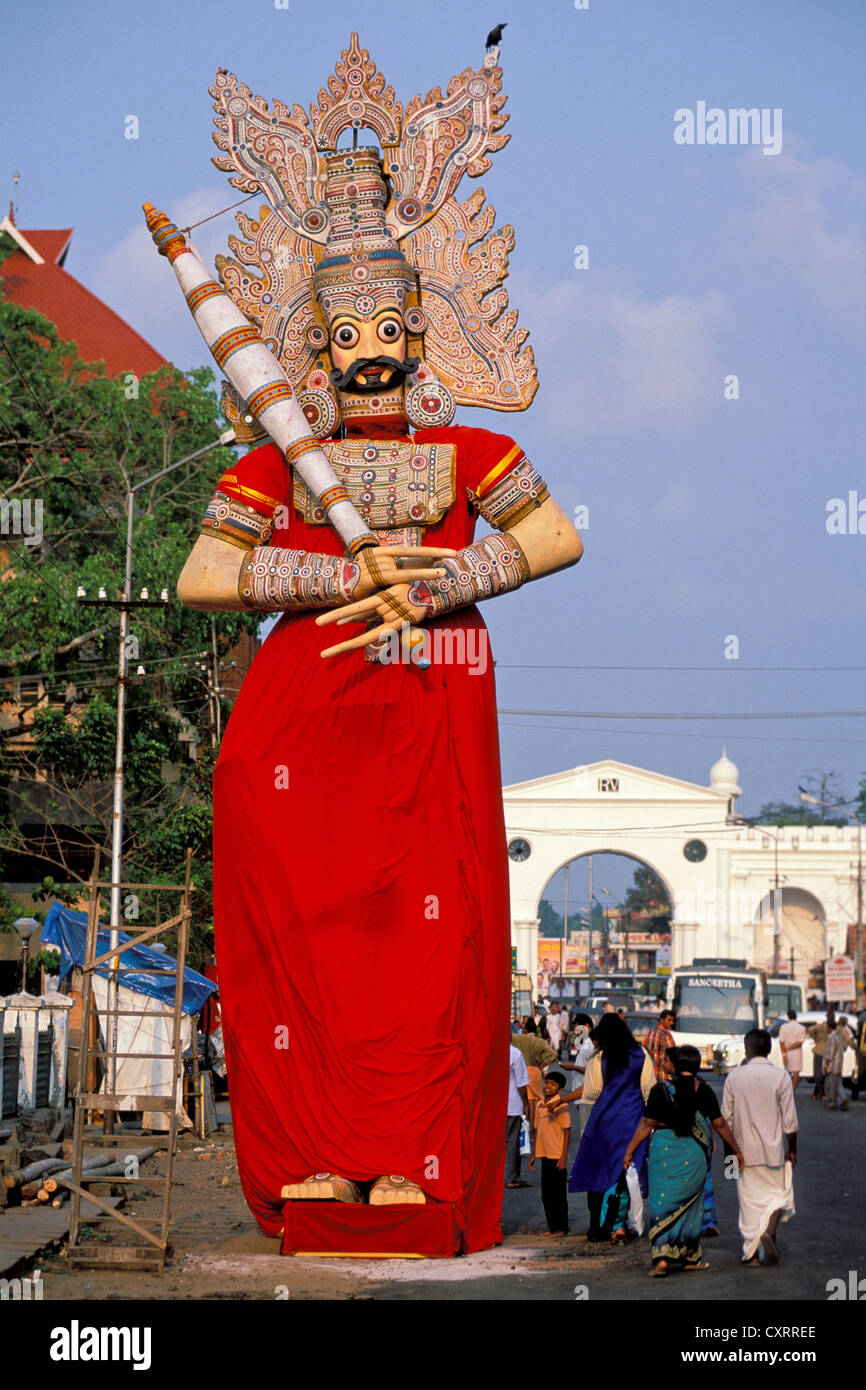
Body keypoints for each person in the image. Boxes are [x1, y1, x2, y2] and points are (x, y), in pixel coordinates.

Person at [168, 35, 584, 1255]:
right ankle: (317, 1157)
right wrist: (340, 573)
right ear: (315, 343)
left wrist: (447, 578)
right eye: (344, 332)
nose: (368, 348)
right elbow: (203, 574)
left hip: (431, 692)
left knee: (423, 937)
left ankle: (404, 1155)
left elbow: (556, 536)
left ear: (418, 325)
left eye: (387, 324)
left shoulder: (466, 457)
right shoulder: (273, 461)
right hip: (305, 702)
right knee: (299, 935)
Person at [623, 1045, 743, 1277]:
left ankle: (662, 1259)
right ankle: (690, 1258)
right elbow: (720, 1125)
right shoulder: (704, 1090)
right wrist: (736, 1151)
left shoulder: (661, 1090)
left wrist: (629, 1151)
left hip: (663, 1154)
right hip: (694, 1155)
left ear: (675, 1066)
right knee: (690, 1207)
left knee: (662, 1205)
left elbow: (646, 1125)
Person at [567, 1014, 654, 1243]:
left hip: (605, 1123)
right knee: (629, 1173)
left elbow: (592, 1092)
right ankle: (627, 1222)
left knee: (609, 1174)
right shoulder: (641, 1054)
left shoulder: (599, 1059)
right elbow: (649, 1091)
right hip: (635, 1122)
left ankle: (614, 1225)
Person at [722, 1028, 798, 1266]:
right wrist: (792, 1150)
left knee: (749, 1205)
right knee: (781, 1195)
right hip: (773, 1152)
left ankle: (752, 1255)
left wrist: (729, 1157)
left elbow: (726, 1120)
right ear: (769, 1049)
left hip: (742, 1153)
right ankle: (770, 1231)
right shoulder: (781, 1077)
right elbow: (790, 1121)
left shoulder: (734, 1077)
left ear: (747, 1049)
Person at [529, 1070, 571, 1235]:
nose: (548, 1086)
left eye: (553, 1084)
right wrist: (533, 1154)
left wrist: (563, 1157)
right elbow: (537, 1131)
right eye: (547, 1082)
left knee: (558, 1194)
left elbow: (567, 1131)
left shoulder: (562, 1105)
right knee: (547, 1194)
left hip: (556, 1156)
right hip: (544, 1155)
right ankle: (552, 1226)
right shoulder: (540, 1105)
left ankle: (562, 1226)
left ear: (560, 1090)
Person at [512, 1018, 558, 1139]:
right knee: (534, 1103)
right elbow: (554, 1055)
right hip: (535, 1071)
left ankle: (525, 1129)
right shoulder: (539, 1042)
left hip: (522, 1069)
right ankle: (534, 1130)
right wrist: (543, 1065)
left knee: (523, 1102)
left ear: (525, 1029)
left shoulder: (518, 1038)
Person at [506, 1043, 531, 1189]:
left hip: (491, 1105)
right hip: (512, 1104)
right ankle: (511, 1177)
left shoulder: (488, 1049)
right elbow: (521, 1083)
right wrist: (526, 1103)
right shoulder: (514, 1053)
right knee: (512, 1143)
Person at [824, 1016, 854, 1111]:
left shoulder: (832, 1038)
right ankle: (843, 1099)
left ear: (829, 1028)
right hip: (839, 1064)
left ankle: (832, 1103)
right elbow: (844, 1048)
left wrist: (826, 1064)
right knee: (838, 1084)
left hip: (833, 1066)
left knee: (831, 1085)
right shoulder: (839, 1037)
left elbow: (830, 1054)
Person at [807, 1011, 835, 1100]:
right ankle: (819, 1094)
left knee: (819, 1073)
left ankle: (818, 1094)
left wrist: (815, 1037)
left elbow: (810, 1029)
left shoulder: (823, 1026)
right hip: (826, 1052)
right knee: (821, 1074)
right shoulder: (833, 1027)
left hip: (821, 1051)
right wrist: (815, 1037)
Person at [644, 1009, 677, 1084]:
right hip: (663, 1076)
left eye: (673, 1020)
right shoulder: (666, 1034)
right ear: (661, 1020)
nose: (671, 1023)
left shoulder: (650, 1032)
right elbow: (674, 1055)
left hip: (650, 1075)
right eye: (669, 1020)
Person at [779, 1009, 807, 1091]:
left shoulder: (783, 1027)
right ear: (796, 1017)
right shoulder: (801, 1028)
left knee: (787, 1073)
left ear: (788, 1017)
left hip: (787, 1053)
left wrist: (784, 1053)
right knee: (796, 1073)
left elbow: (781, 1041)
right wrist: (791, 1047)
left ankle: (787, 1090)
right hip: (797, 1053)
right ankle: (793, 1090)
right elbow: (800, 1042)